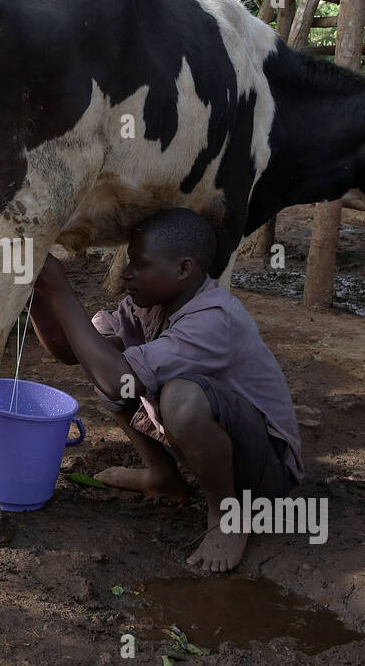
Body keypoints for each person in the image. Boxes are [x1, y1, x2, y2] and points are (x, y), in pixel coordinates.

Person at [27, 208, 302, 572]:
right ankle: (163, 476)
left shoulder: (214, 317)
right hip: (218, 453)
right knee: (106, 362)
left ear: (184, 269)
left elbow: (114, 374)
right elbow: (74, 351)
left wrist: (61, 289)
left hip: (266, 473)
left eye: (139, 264)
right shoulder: (148, 306)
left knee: (180, 396)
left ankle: (228, 517)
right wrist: (34, 292)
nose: (126, 274)